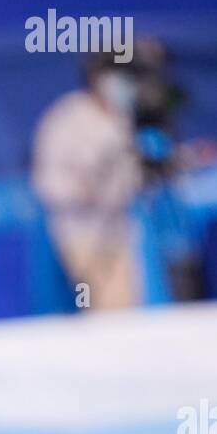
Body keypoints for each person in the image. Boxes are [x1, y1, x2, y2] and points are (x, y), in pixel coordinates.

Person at [31, 52, 143, 311]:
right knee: (108, 308)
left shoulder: (123, 117)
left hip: (120, 227)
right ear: (98, 78)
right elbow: (45, 180)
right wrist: (80, 192)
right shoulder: (67, 119)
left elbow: (131, 172)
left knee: (127, 307)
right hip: (80, 232)